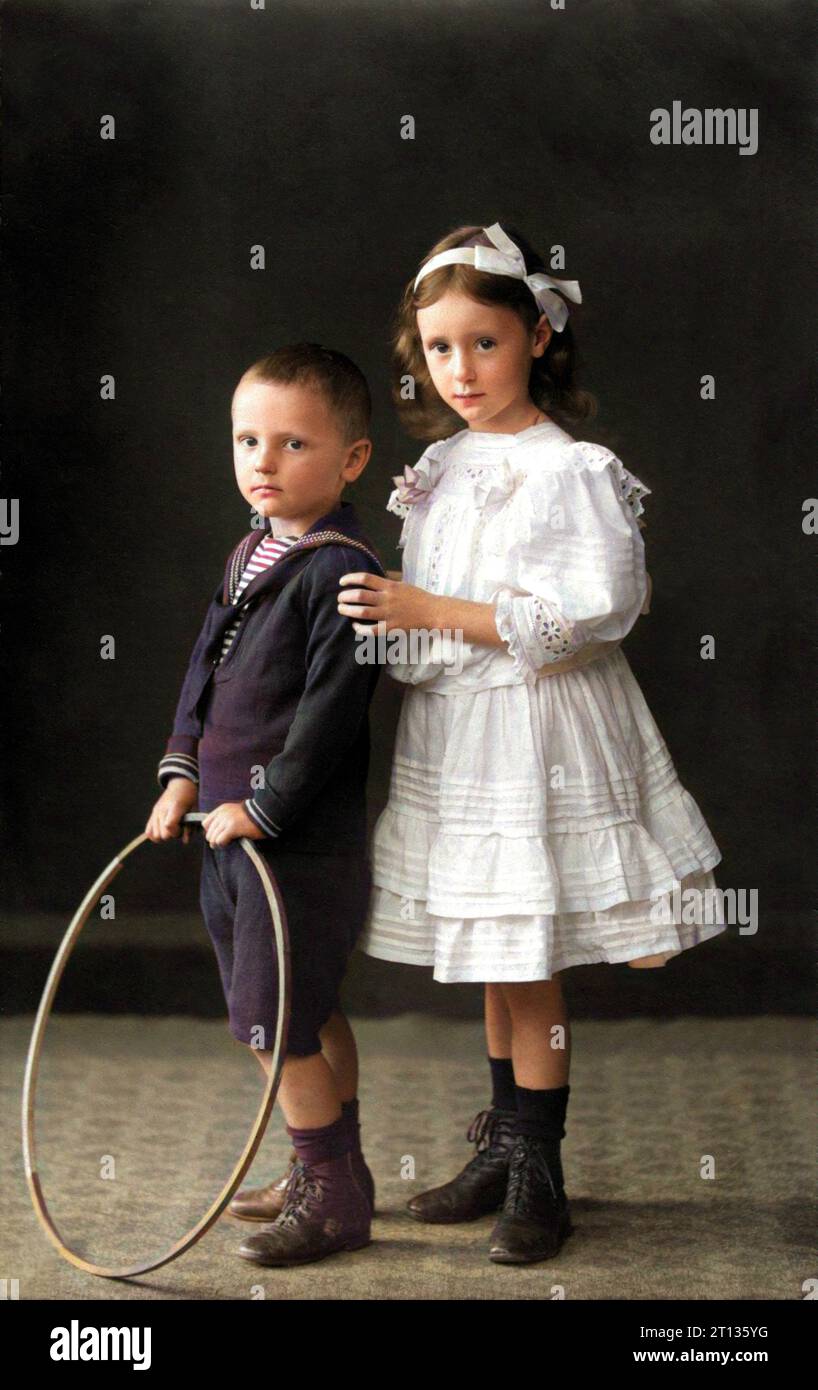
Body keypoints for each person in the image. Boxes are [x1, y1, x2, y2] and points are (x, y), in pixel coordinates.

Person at [337, 222, 726, 1265]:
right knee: (496, 959)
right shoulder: (437, 469)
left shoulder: (570, 469)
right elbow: (424, 613)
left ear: (538, 335)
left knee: (532, 955)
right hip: (463, 728)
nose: (459, 370)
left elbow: (593, 612)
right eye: (439, 349)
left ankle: (542, 1170)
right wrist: (392, 628)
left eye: (484, 344)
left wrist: (431, 608)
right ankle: (505, 1144)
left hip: (539, 728)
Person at [145, 342, 386, 1267]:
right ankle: (332, 1167)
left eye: (292, 444)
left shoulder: (343, 571)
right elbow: (204, 670)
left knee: (272, 1018)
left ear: (351, 460)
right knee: (305, 1009)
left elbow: (332, 716)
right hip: (224, 833)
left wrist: (264, 804)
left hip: (295, 844)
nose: (263, 463)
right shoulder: (252, 550)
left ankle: (331, 1197)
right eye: (249, 441)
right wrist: (182, 775)